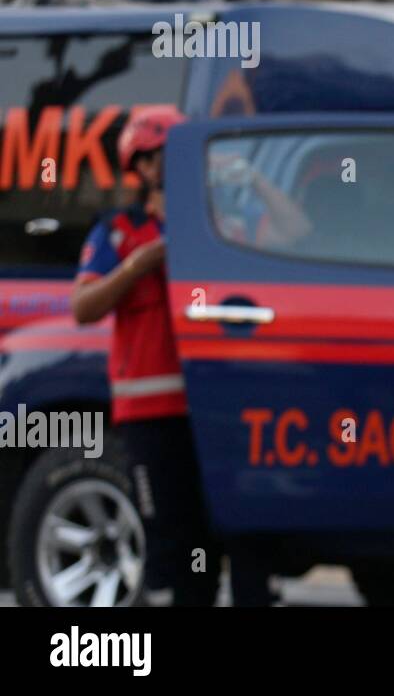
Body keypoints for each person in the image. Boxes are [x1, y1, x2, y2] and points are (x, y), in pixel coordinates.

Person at [71, 105, 275, 607]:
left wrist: (255, 181)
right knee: (176, 544)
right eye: (160, 156)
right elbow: (83, 308)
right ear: (139, 166)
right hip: (151, 416)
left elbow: (294, 234)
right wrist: (139, 266)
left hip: (216, 406)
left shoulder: (217, 221)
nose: (169, 165)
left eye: (180, 154)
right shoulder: (118, 231)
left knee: (243, 529)